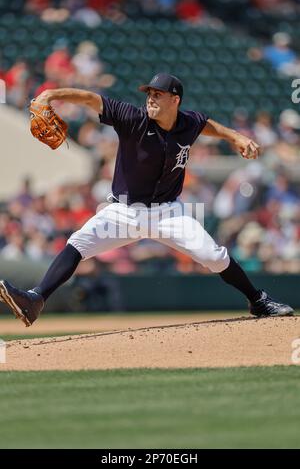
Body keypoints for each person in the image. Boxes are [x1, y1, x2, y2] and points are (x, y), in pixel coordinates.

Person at [0, 73, 294, 326]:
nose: (150, 99)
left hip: (169, 213)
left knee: (213, 256)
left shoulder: (187, 122)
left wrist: (236, 137)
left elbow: (206, 125)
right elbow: (91, 99)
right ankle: (35, 299)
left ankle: (258, 301)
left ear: (175, 100)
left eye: (158, 94)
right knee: (78, 244)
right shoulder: (132, 119)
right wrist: (52, 94)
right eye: (149, 94)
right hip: (123, 212)